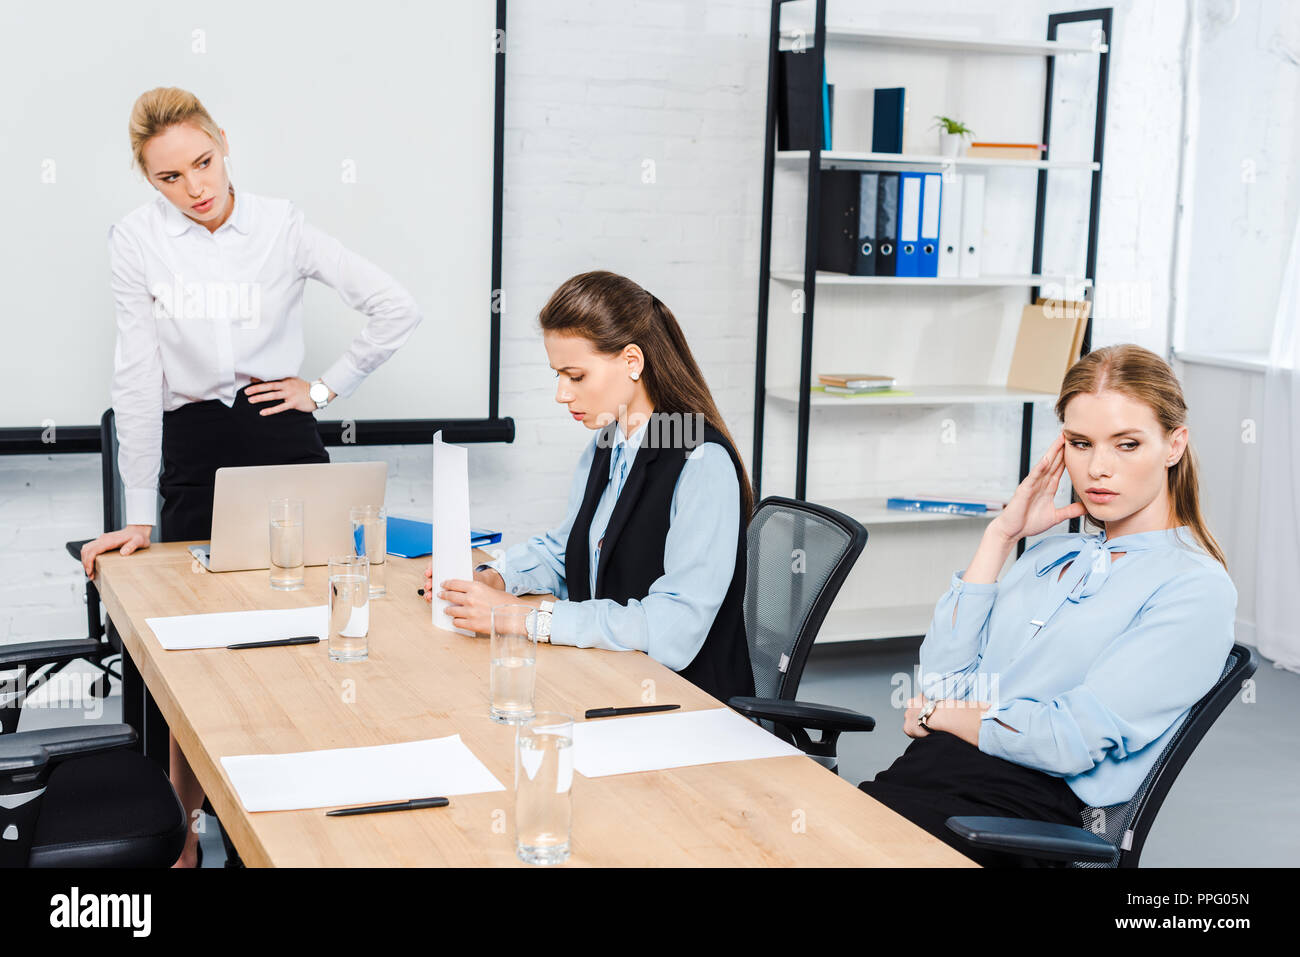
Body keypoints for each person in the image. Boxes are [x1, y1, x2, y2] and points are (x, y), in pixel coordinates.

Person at [80, 87, 423, 867]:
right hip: (194, 445)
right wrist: (138, 515)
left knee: (328, 629)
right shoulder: (136, 240)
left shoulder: (282, 225)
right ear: (148, 181)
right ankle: (188, 837)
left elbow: (396, 306)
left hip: (282, 434)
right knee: (195, 655)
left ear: (224, 143)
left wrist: (324, 387)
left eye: (203, 162)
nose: (195, 187)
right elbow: (136, 376)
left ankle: (317, 823)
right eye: (170, 177)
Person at [858, 343, 1238, 867]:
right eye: (1081, 444)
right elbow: (944, 685)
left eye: (1126, 445)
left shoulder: (1193, 587)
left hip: (1008, 820)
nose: (1098, 468)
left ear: (1174, 445)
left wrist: (942, 714)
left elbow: (1067, 741)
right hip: (915, 779)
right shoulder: (1054, 549)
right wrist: (999, 536)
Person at [425, 271, 756, 702]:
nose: (562, 394)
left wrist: (523, 618)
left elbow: (673, 627)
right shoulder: (609, 442)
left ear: (632, 362)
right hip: (612, 680)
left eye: (575, 376)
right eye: (557, 375)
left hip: (686, 704)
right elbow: (569, 551)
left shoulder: (701, 461)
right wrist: (495, 579)